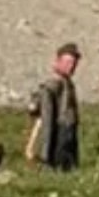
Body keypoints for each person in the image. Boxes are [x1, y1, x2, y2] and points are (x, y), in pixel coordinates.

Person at [24, 43, 81, 171]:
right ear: (58, 61)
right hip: (59, 135)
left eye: (74, 63)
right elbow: (46, 122)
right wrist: (45, 153)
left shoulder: (67, 84)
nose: (72, 67)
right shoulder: (51, 86)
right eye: (68, 62)